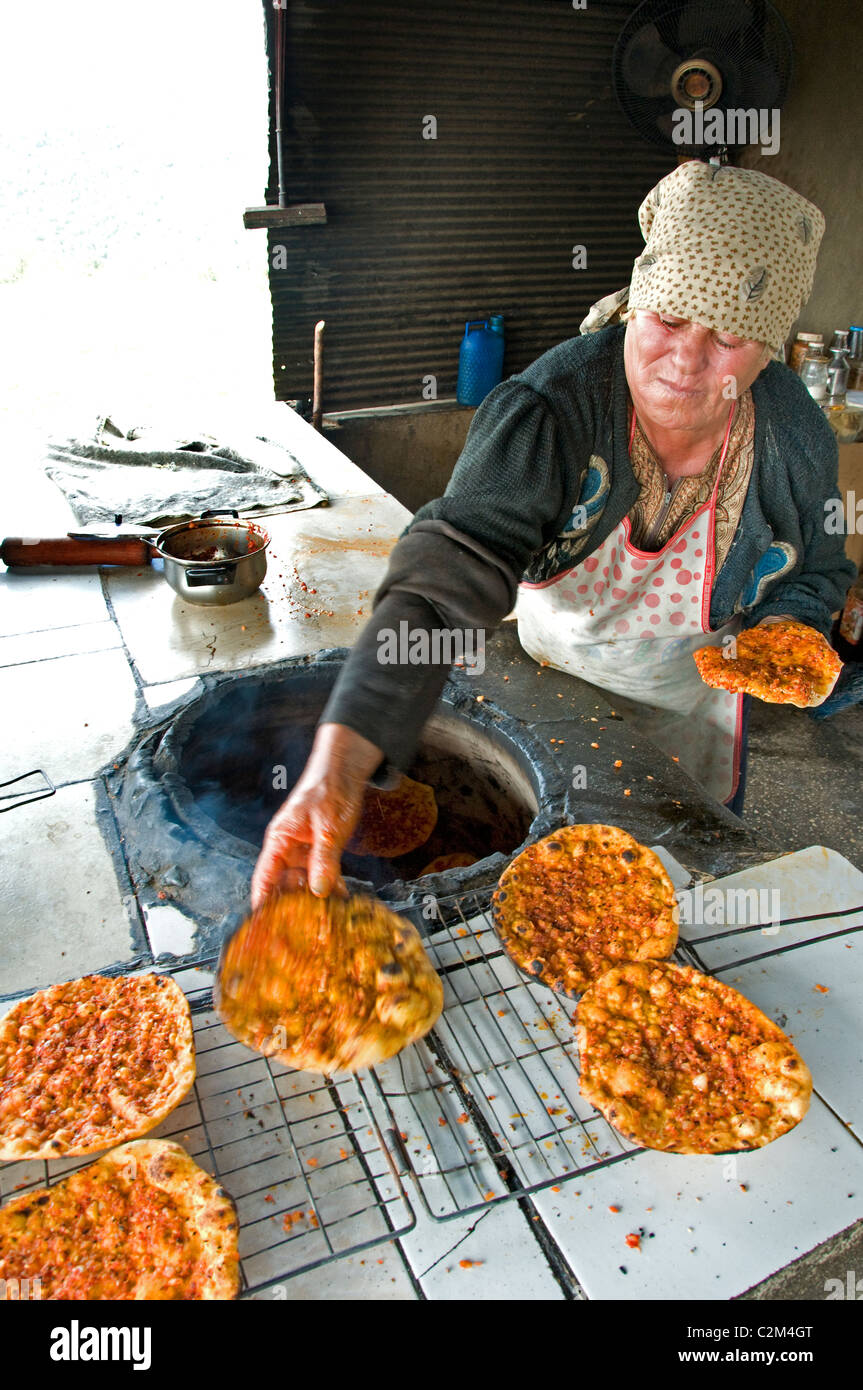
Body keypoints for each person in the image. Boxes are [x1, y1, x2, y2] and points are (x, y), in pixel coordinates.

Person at [251, 160, 854, 908]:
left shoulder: (792, 438)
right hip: (551, 693)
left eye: (728, 336)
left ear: (768, 346)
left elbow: (817, 570)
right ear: (636, 304)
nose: (686, 360)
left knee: (681, 900)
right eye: (666, 319)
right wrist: (337, 766)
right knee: (567, 898)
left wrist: (789, 630)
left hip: (691, 718)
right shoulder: (549, 412)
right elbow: (441, 590)